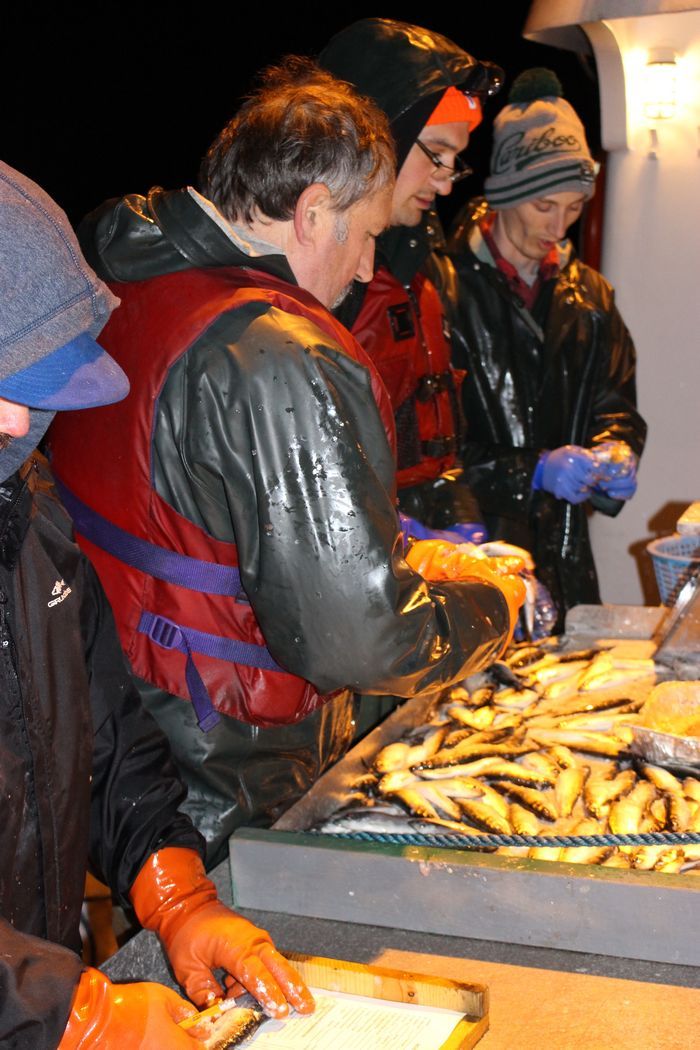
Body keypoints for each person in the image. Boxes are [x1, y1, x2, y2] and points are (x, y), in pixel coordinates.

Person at [50, 58, 524, 865]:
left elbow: (196, 513)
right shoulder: (281, 353)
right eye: (369, 234)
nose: (371, 269)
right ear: (311, 213)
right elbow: (358, 644)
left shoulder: (123, 284)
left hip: (113, 722)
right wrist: (493, 608)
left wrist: (399, 553)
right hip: (221, 764)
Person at [0, 160, 313, 1049]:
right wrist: (73, 1014)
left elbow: (107, 747)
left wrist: (178, 895)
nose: (20, 424)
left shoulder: (32, 525)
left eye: (36, 389)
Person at [446, 68, 647, 629]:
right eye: (543, 206)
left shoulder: (593, 296)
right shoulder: (442, 288)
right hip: (474, 562)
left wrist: (617, 449)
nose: (559, 226)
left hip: (567, 564)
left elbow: (615, 405)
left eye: (574, 208)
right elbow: (426, 454)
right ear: (505, 192)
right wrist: (529, 471)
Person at [320, 18, 503, 542]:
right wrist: (392, 535)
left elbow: (441, 423)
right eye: (436, 155)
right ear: (383, 139)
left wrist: (457, 509)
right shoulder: (313, 274)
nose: (446, 182)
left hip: (405, 529)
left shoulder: (425, 263)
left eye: (455, 161)